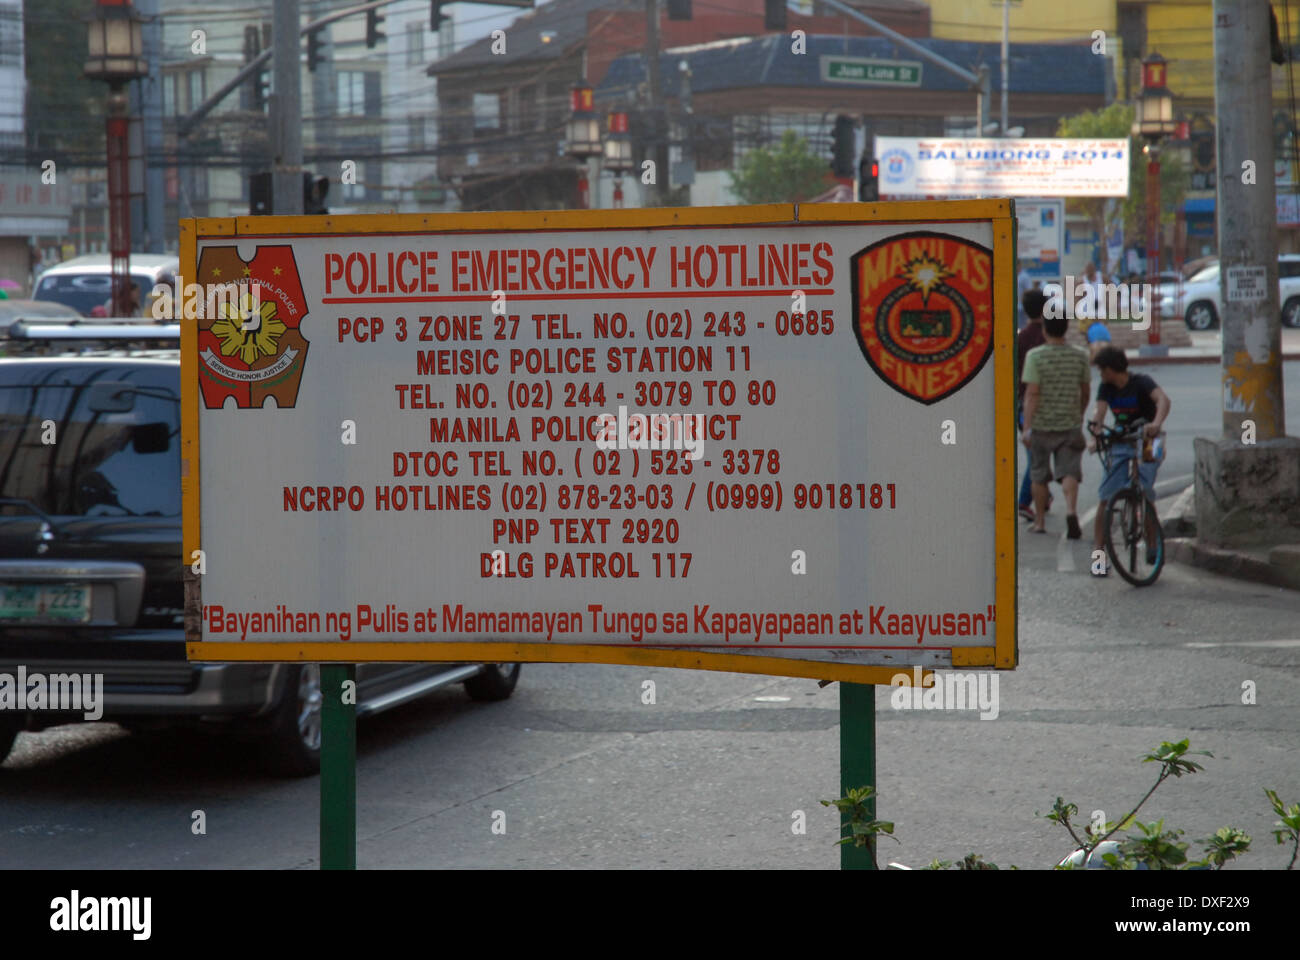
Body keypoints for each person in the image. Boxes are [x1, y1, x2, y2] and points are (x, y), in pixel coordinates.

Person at [1087, 347, 1172, 575]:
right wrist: (1095, 437)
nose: (1101, 375)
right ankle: (1098, 553)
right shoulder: (1106, 388)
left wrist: (1155, 424)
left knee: (1144, 491)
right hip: (1121, 439)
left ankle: (1152, 543)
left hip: (1148, 439)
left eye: (1102, 370)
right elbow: (1099, 414)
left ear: (1112, 369)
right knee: (1106, 498)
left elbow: (1163, 400)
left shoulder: (1142, 382)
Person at [1020, 305, 1091, 538]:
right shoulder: (1080, 355)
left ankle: (1040, 521)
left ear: (1044, 329)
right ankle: (1071, 510)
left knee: (1039, 475)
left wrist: (1027, 427)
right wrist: (1079, 413)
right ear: (1066, 327)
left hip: (1041, 425)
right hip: (1069, 423)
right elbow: (1085, 389)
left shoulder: (1035, 356)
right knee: (1070, 471)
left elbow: (1032, 393)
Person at [1016, 288, 1052, 522]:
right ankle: (1024, 500)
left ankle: (1043, 496)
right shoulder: (1047, 337)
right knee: (1037, 458)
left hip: (1021, 403)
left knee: (1037, 454)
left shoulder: (1020, 338)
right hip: (1042, 403)